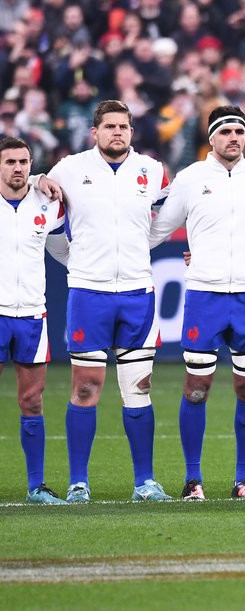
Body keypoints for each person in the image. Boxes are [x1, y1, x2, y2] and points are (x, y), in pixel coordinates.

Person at [42, 100, 172, 503]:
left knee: (139, 387)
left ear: (133, 132)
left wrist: (138, 250)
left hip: (137, 293)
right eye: (110, 126)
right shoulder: (68, 168)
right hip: (88, 292)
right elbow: (48, 223)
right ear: (94, 132)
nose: (118, 132)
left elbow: (166, 220)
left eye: (124, 126)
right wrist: (77, 259)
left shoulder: (151, 171)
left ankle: (145, 483)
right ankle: (78, 482)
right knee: (85, 388)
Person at [148, 105, 245, 501]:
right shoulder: (190, 178)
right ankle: (193, 480)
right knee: (196, 388)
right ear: (212, 138)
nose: (234, 138)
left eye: (239, 131)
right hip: (204, 295)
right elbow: (157, 229)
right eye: (226, 132)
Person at [0, 136, 68, 503]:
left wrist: (42, 179)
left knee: (32, 400)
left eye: (24, 162)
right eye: (10, 162)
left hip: (31, 314)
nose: (17, 169)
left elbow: (63, 251)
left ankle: (36, 486)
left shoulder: (46, 203)